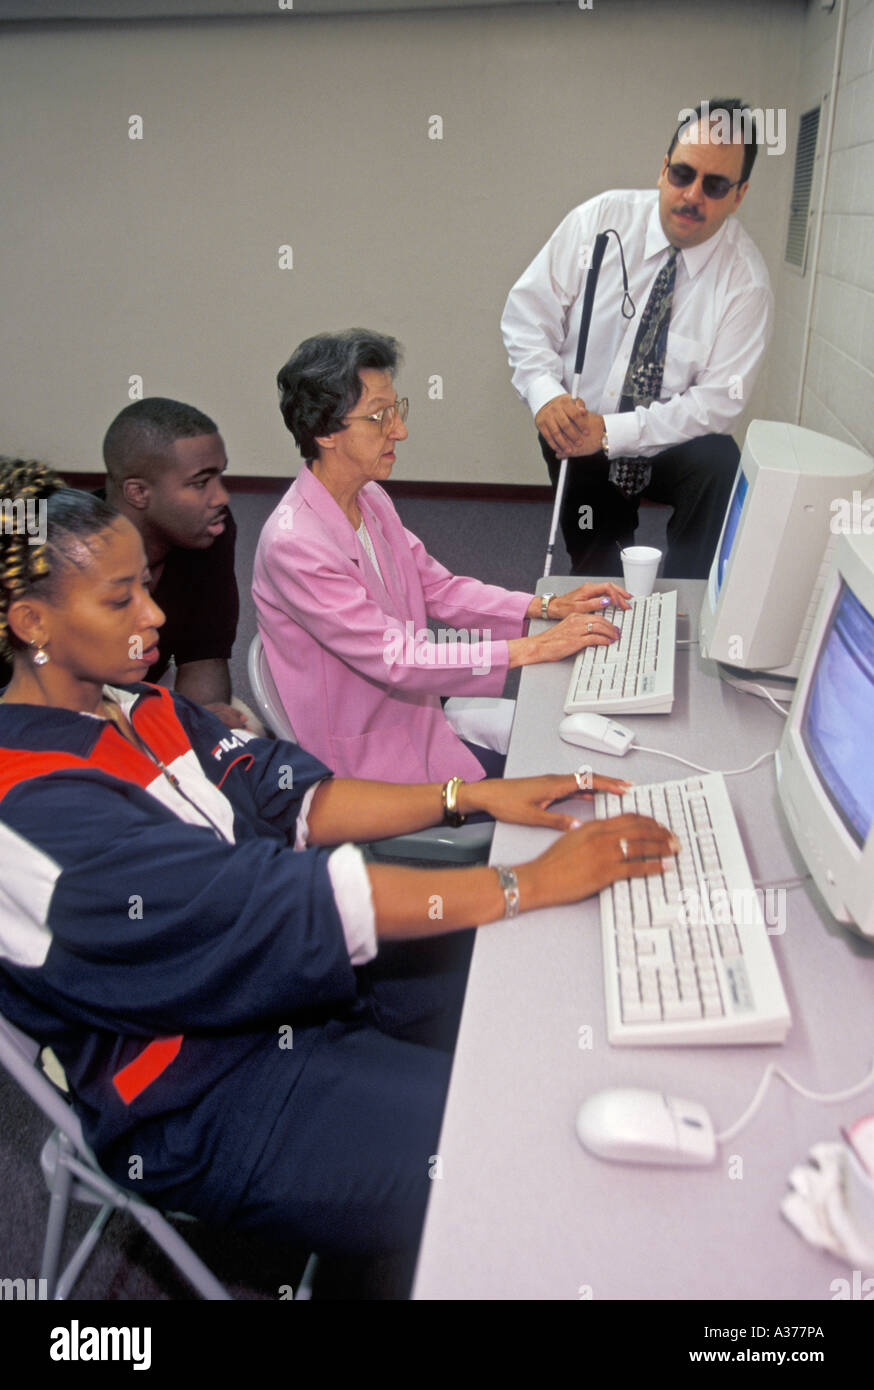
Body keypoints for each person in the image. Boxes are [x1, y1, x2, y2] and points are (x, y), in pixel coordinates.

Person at [0, 458, 675, 1288]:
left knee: (547, 980)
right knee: (521, 1153)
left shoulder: (134, 703)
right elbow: (260, 903)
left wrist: (475, 794)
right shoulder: (27, 808)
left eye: (147, 584)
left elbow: (295, 796)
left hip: (285, 990)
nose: (156, 615)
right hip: (205, 1093)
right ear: (32, 621)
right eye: (120, 599)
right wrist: (520, 884)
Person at [254, 329, 630, 785]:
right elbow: (397, 658)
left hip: (417, 717)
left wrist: (545, 608)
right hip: (367, 762)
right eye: (379, 417)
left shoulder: (369, 498)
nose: (401, 430)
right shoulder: (294, 545)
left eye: (397, 410)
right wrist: (535, 647)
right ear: (324, 432)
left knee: (562, 759)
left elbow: (437, 588)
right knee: (559, 786)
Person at [501, 98, 774, 579]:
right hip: (581, 426)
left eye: (714, 185)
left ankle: (687, 596)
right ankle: (599, 594)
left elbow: (717, 403)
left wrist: (615, 433)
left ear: (739, 194)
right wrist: (546, 397)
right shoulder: (600, 220)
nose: (692, 196)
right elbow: (528, 315)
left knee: (718, 461)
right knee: (596, 564)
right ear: (663, 169)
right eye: (683, 174)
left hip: (671, 437)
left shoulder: (745, 281)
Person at [102, 396, 248, 730]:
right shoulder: (58, 539)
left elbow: (204, 660)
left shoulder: (210, 534)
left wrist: (199, 727)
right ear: (138, 493)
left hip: (137, 716)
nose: (221, 496)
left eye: (219, 477)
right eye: (200, 483)